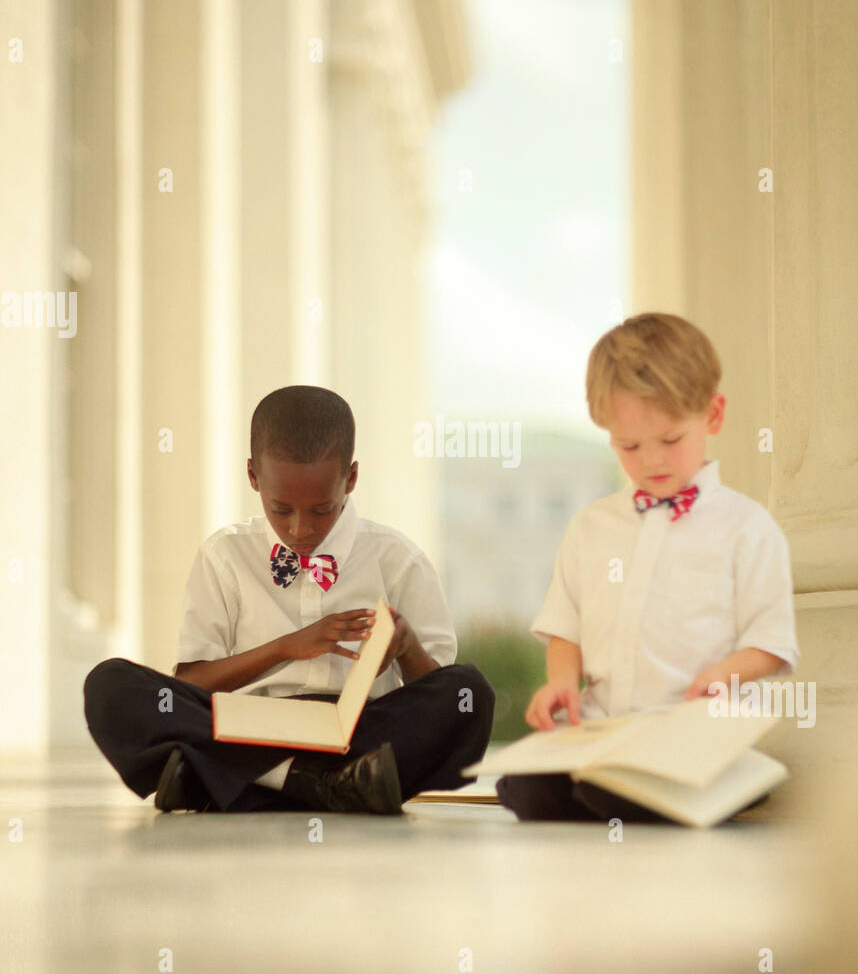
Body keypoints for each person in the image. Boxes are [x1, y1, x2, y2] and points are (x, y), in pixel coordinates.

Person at [84, 386, 494, 814]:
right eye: (281, 509)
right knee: (110, 686)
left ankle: (228, 778)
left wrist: (407, 649)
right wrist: (284, 648)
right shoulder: (224, 555)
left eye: (322, 510)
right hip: (246, 726)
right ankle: (321, 784)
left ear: (350, 479)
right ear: (252, 476)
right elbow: (191, 684)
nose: (300, 529)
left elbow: (436, 688)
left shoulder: (399, 560)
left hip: (362, 734)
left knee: (469, 693)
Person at [496, 312, 800, 823]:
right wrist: (562, 683)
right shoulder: (591, 528)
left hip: (692, 734)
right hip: (602, 731)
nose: (653, 461)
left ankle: (677, 792)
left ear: (714, 414)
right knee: (523, 790)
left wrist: (726, 672)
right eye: (630, 446)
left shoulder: (748, 529)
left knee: (632, 790)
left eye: (670, 439)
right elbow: (565, 629)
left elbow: (771, 643)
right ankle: (615, 791)